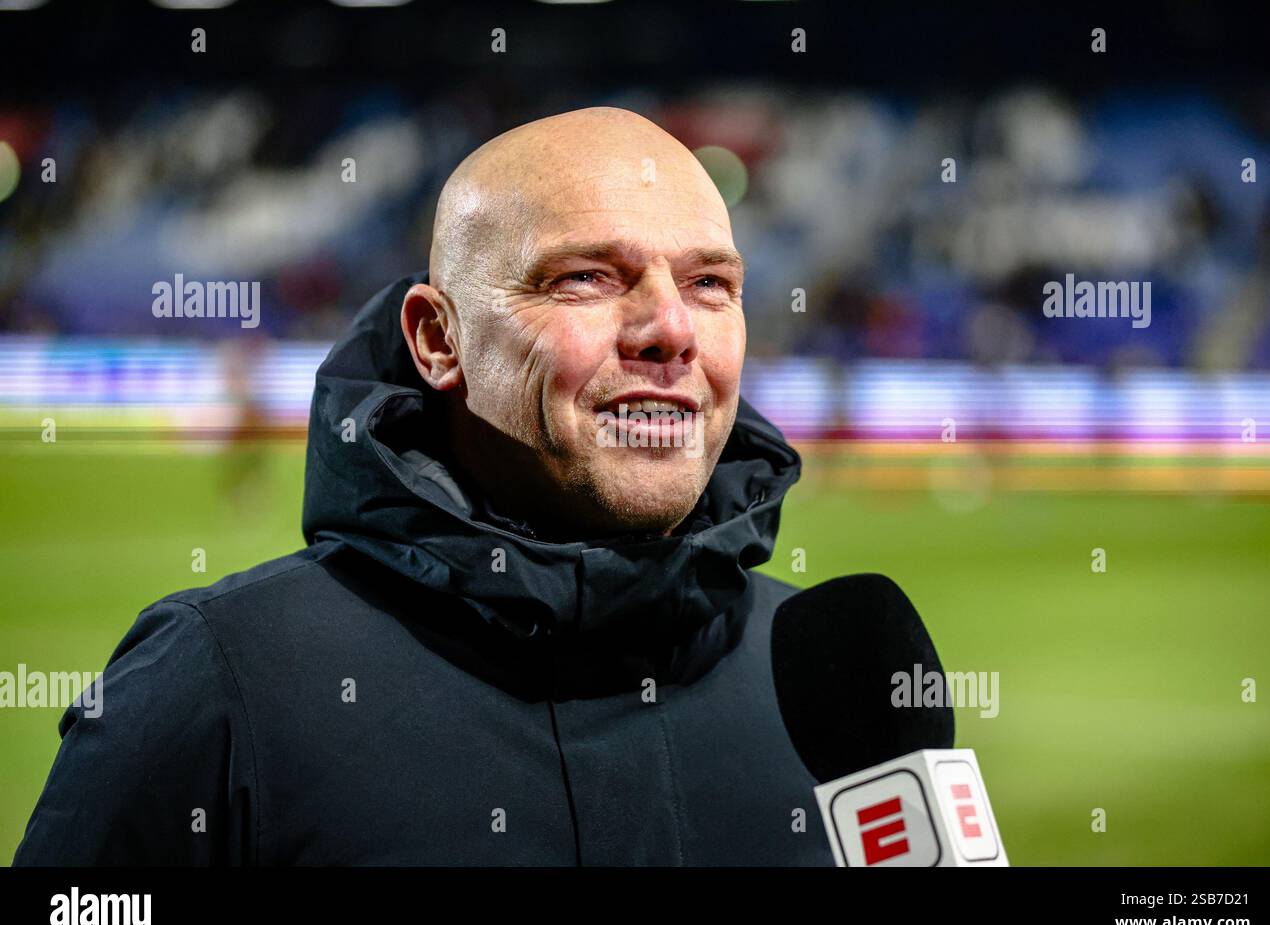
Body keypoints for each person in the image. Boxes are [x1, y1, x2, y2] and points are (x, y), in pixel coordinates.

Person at [14, 107, 832, 865]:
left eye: (710, 284)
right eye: (587, 277)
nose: (673, 330)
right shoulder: (216, 684)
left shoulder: (830, 676)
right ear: (439, 339)